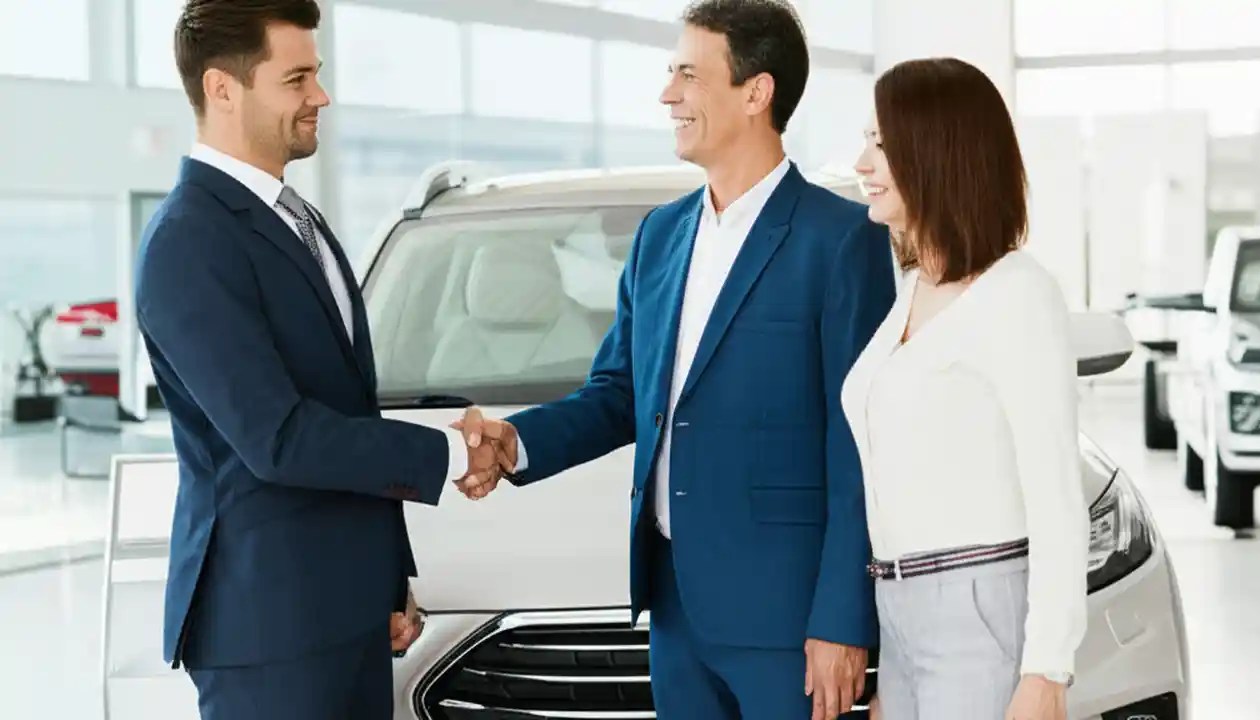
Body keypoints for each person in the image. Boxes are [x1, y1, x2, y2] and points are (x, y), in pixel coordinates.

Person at [452, 2, 896, 719]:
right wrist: (514, 441)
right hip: (674, 610)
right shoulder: (661, 236)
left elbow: (860, 447)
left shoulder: (841, 239)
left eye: (689, 74)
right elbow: (620, 392)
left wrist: (843, 620)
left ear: (756, 93)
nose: (668, 95)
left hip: (787, 620)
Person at [134, 2, 494, 717]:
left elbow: (346, 410)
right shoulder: (190, 239)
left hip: (341, 617)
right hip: (270, 631)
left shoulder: (298, 219)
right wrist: (453, 452)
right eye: (296, 78)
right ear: (222, 89)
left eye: (317, 74)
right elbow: (278, 438)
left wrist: (385, 579)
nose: (320, 96)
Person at [843, 58, 1088, 720]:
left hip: (978, 607)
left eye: (881, 144)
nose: (862, 164)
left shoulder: (1018, 293)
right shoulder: (912, 289)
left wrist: (1047, 670)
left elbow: (1056, 495)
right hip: (899, 607)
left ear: (938, 153)